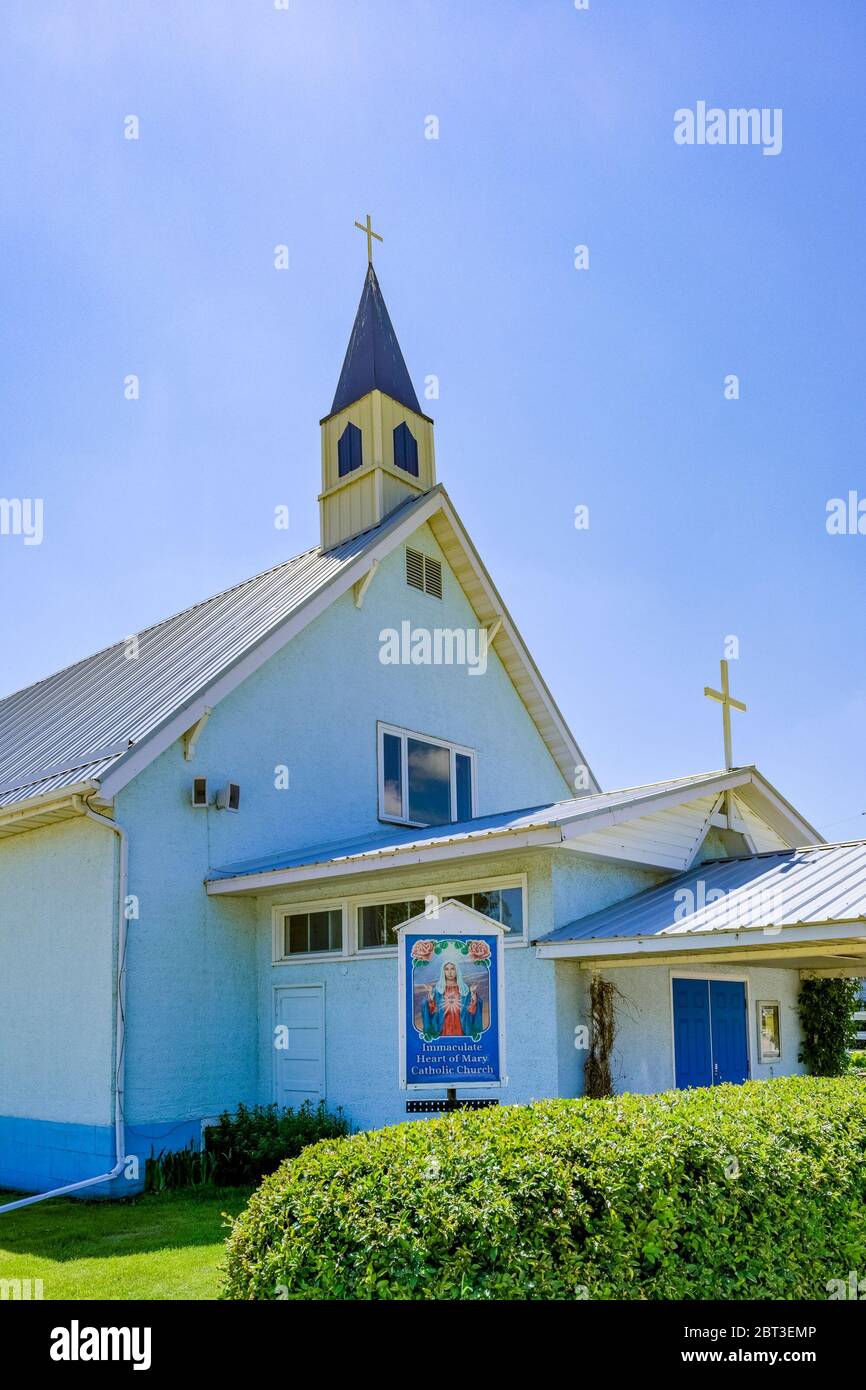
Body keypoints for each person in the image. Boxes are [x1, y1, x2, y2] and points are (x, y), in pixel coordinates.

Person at [423, 958, 481, 1037]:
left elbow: (471, 1009)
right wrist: (430, 993)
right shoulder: (439, 989)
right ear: (443, 971)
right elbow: (433, 1009)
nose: (450, 972)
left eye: (452, 969)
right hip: (444, 1024)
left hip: (460, 1023)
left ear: (457, 970)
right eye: (446, 969)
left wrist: (473, 993)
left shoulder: (464, 988)